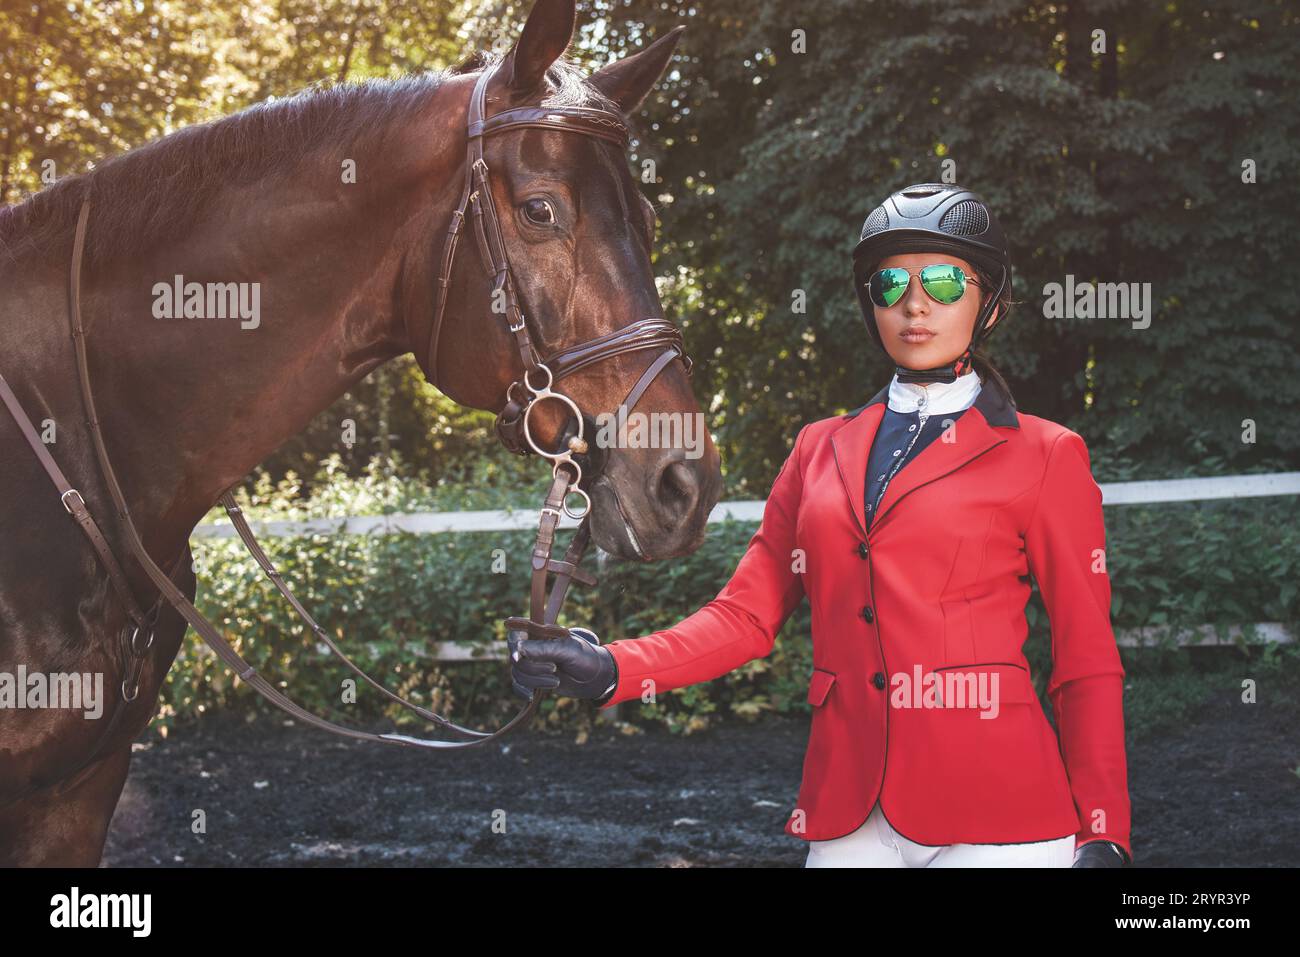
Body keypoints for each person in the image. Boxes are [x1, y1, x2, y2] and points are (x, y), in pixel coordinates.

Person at [509, 182, 1132, 868]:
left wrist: (1104, 829)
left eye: (947, 281)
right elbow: (745, 616)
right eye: (890, 282)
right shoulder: (818, 449)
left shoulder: (1046, 454)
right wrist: (610, 666)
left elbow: (1085, 661)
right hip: (849, 809)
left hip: (1002, 811)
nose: (915, 303)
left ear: (990, 301)